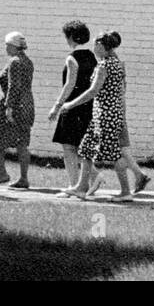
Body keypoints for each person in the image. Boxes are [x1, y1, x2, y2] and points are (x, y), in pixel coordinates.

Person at [56, 30, 133, 202]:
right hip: (109, 113)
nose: (94, 50)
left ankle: (126, 191)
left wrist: (70, 103)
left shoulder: (104, 65)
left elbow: (93, 91)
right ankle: (81, 188)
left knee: (114, 154)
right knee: (86, 149)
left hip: (105, 115)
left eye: (95, 46)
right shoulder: (117, 63)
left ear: (100, 45)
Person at [49, 19, 97, 189]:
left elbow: (69, 84)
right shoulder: (93, 57)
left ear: (71, 37)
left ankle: (74, 185)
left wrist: (56, 106)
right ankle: (94, 178)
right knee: (81, 148)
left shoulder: (72, 58)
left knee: (69, 148)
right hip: (88, 107)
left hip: (72, 107)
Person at [0, 32, 35, 188]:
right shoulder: (28, 61)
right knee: (22, 142)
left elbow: (14, 86)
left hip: (14, 106)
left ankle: (2, 173)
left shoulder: (14, 62)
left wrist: (9, 108)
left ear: (13, 45)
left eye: (7, 44)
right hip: (27, 105)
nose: (5, 47)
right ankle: (23, 178)